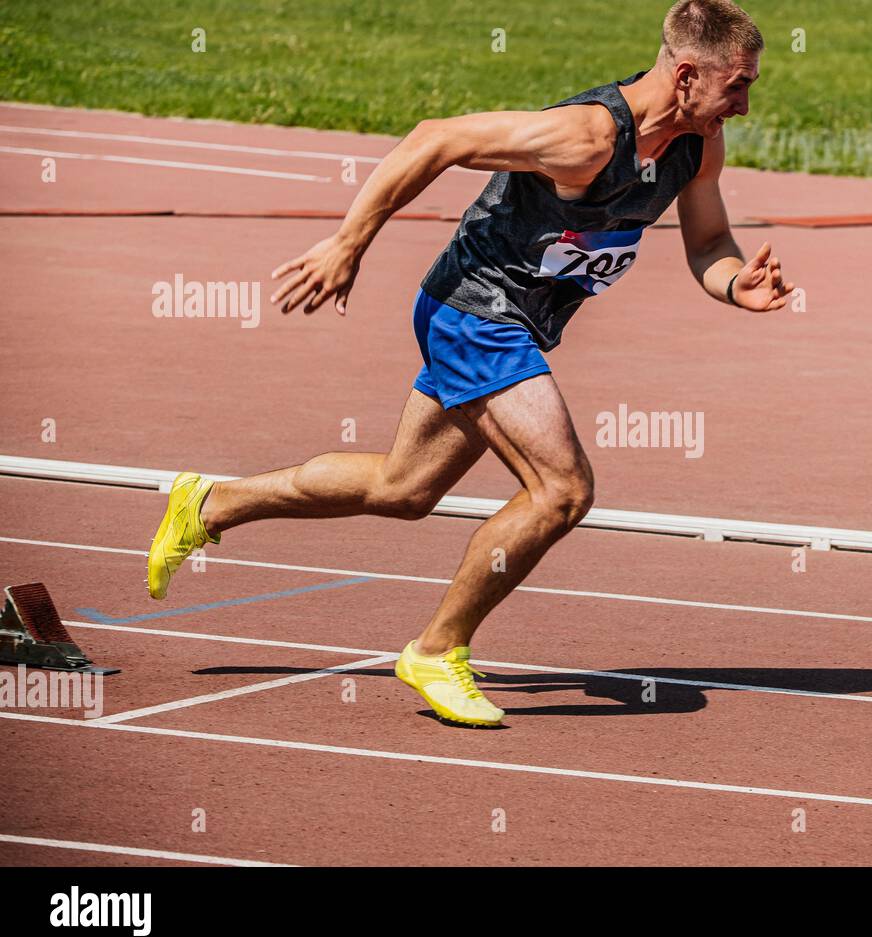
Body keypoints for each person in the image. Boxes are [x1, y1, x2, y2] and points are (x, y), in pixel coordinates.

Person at [147, 0, 793, 728]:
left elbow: (708, 243)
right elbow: (436, 138)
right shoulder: (584, 137)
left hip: (512, 324)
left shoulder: (694, 146)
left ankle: (208, 504)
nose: (743, 104)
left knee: (404, 487)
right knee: (561, 491)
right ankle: (435, 649)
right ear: (684, 75)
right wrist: (348, 243)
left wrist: (738, 284)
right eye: (737, 86)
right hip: (474, 313)